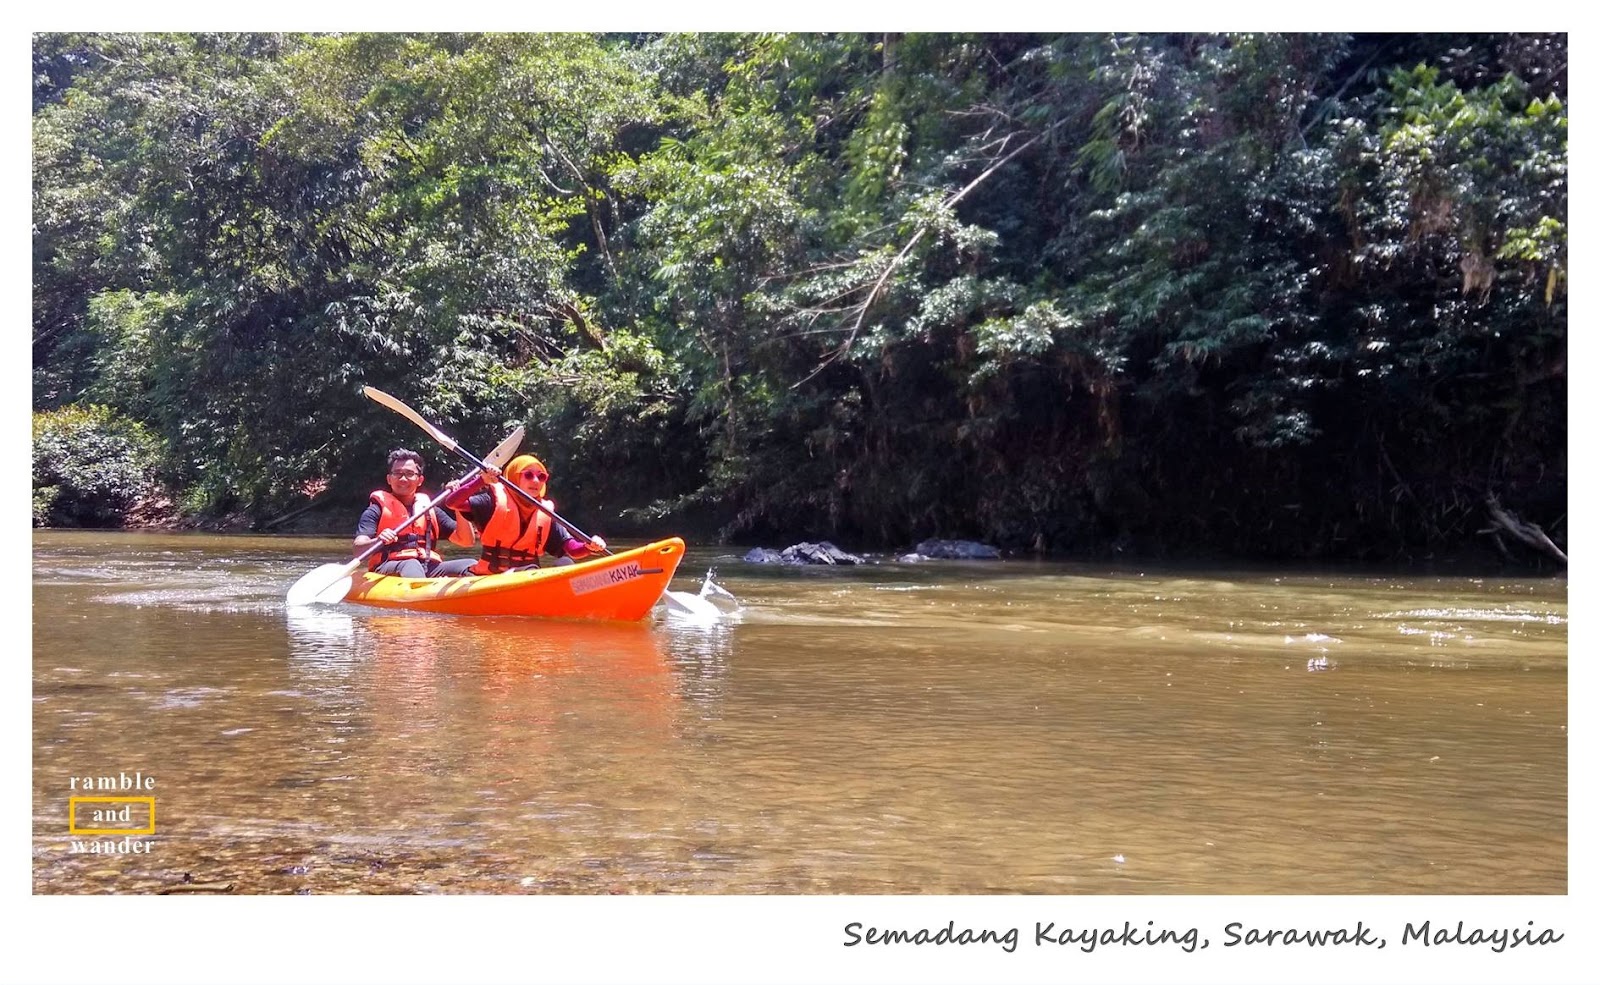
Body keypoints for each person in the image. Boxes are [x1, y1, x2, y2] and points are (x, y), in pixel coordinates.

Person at [438, 453, 606, 574]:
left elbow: (572, 549)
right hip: (490, 576)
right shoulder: (493, 502)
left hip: (527, 576)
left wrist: (588, 547)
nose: (535, 481)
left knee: (565, 562)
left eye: (541, 477)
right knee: (529, 570)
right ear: (514, 477)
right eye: (528, 475)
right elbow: (453, 503)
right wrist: (482, 481)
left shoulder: (545, 513)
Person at [352, 449, 479, 577]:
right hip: (388, 566)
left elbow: (466, 540)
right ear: (389, 479)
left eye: (409, 474)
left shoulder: (429, 510)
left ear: (420, 480)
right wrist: (378, 540)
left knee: (471, 564)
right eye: (397, 473)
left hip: (427, 566)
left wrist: (458, 501)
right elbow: (358, 550)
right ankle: (423, 588)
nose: (403, 479)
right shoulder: (376, 510)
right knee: (411, 564)